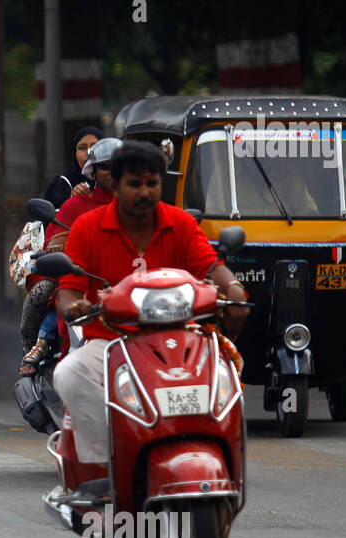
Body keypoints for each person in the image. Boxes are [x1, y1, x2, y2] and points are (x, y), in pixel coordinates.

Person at [53, 141, 249, 472]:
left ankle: (224, 464)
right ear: (115, 185)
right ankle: (101, 468)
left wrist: (233, 288)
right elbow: (67, 293)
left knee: (224, 375)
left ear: (162, 183)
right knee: (70, 373)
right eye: (134, 184)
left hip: (180, 340)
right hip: (110, 343)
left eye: (152, 183)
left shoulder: (182, 223)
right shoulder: (87, 227)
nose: (144, 192)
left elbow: (211, 265)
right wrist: (75, 307)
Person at [19, 137, 121, 374]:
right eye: (105, 166)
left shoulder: (142, 209)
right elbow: (54, 240)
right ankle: (38, 345)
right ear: (93, 172)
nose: (113, 173)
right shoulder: (76, 205)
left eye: (120, 166)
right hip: (83, 285)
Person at [42, 126, 102, 210]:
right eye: (82, 147)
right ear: (75, 153)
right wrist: (72, 201)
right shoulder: (63, 183)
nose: (89, 152)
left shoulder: (112, 181)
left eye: (95, 147)